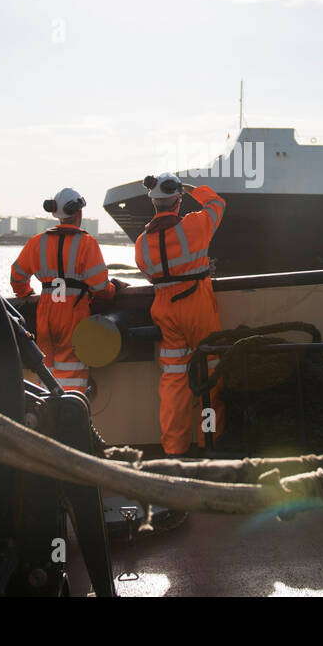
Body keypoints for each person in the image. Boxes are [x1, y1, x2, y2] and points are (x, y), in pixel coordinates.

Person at [134, 173, 226, 457]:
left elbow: (147, 273)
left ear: (154, 204)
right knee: (210, 376)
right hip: (196, 304)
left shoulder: (141, 243)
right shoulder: (196, 225)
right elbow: (217, 203)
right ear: (177, 200)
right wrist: (191, 189)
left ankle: (174, 449)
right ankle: (208, 441)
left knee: (174, 381)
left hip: (164, 310)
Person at [10, 188, 115, 396]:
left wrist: (26, 293)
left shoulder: (36, 242)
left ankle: (48, 415)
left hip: (45, 312)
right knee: (73, 375)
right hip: (73, 314)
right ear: (78, 214)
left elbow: (17, 277)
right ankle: (71, 415)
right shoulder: (87, 243)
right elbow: (101, 287)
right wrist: (114, 289)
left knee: (46, 371)